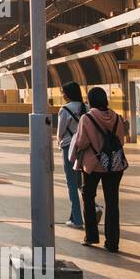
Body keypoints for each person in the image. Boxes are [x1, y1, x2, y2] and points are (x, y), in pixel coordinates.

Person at [69, 86, 129, 253]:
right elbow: (121, 141)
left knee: (88, 196)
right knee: (112, 202)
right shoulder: (116, 117)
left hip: (93, 164)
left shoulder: (87, 118)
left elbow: (81, 142)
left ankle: (91, 236)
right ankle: (112, 242)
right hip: (114, 164)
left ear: (90, 100)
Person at [56, 82, 86, 228]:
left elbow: (60, 132)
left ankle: (77, 220)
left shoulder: (65, 109)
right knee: (82, 183)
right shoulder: (85, 107)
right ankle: (91, 207)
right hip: (85, 148)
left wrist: (58, 142)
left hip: (69, 148)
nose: (62, 95)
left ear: (67, 94)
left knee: (71, 184)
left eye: (63, 92)